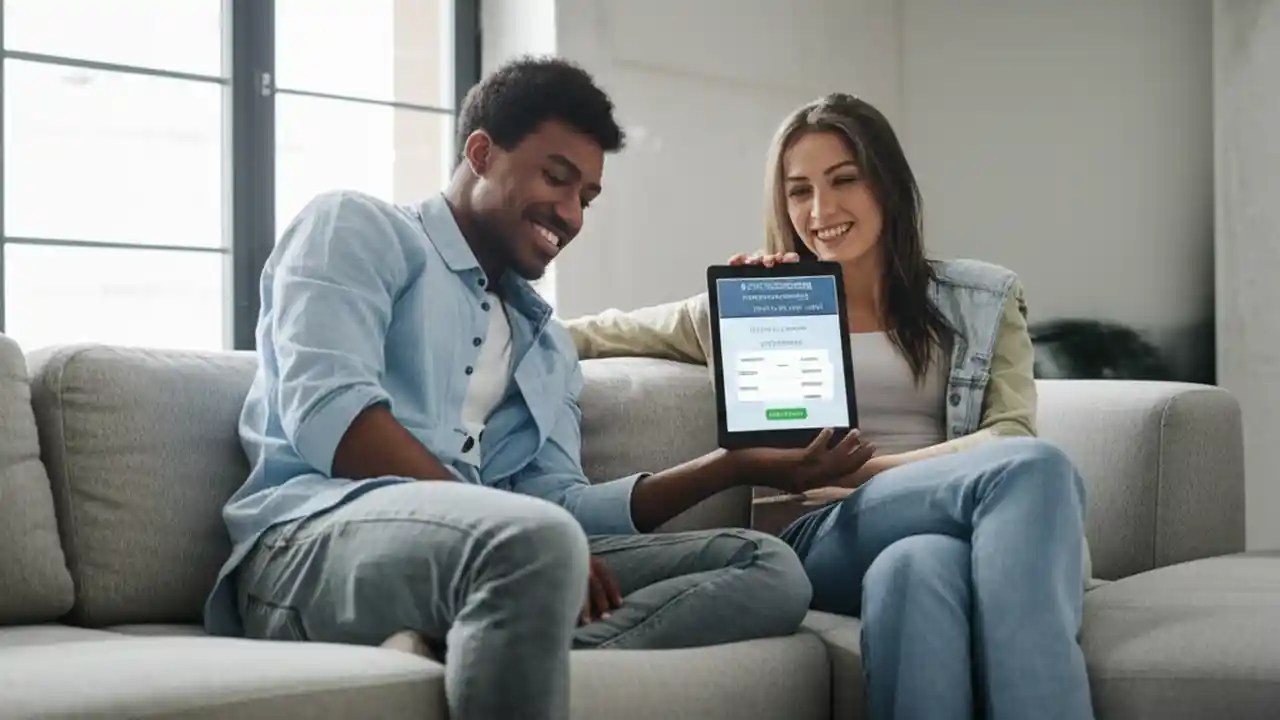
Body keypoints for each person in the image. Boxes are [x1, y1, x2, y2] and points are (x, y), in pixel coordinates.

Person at [201, 58, 875, 720]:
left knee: (768, 565)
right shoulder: (358, 228)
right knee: (534, 545)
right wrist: (519, 527)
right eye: (557, 178)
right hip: (309, 543)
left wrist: (734, 466)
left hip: (501, 556)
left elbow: (560, 504)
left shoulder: (548, 346)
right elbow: (331, 416)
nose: (572, 213)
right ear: (482, 152)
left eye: (586, 196)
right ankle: (494, 630)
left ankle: (486, 645)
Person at [564, 93, 1094, 720]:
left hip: (931, 521)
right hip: (818, 534)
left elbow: (1006, 430)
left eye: (844, 179)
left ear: (888, 184)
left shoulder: (981, 298)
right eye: (799, 191)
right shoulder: (754, 301)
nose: (821, 210)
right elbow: (583, 333)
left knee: (917, 568)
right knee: (1036, 468)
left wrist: (861, 471)